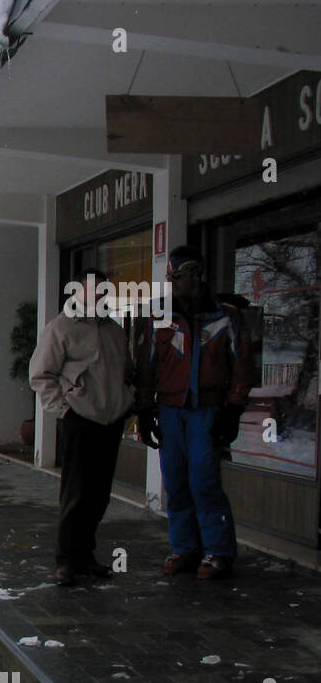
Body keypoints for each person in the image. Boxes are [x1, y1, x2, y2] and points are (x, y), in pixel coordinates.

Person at [135, 244, 252, 580]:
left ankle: (218, 550)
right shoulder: (159, 316)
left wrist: (233, 410)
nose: (174, 283)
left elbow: (242, 367)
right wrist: (145, 410)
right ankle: (184, 547)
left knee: (205, 482)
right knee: (175, 481)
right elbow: (147, 366)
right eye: (170, 276)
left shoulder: (225, 315)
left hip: (208, 409)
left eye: (179, 276)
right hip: (170, 410)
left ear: (197, 275)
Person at [29, 269, 132, 586]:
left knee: (99, 494)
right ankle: (67, 560)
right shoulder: (61, 329)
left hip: (110, 422)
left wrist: (130, 400)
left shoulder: (114, 331)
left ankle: (86, 556)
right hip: (80, 421)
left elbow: (126, 371)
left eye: (104, 291)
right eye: (93, 290)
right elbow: (41, 375)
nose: (100, 295)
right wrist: (64, 411)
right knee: (76, 493)